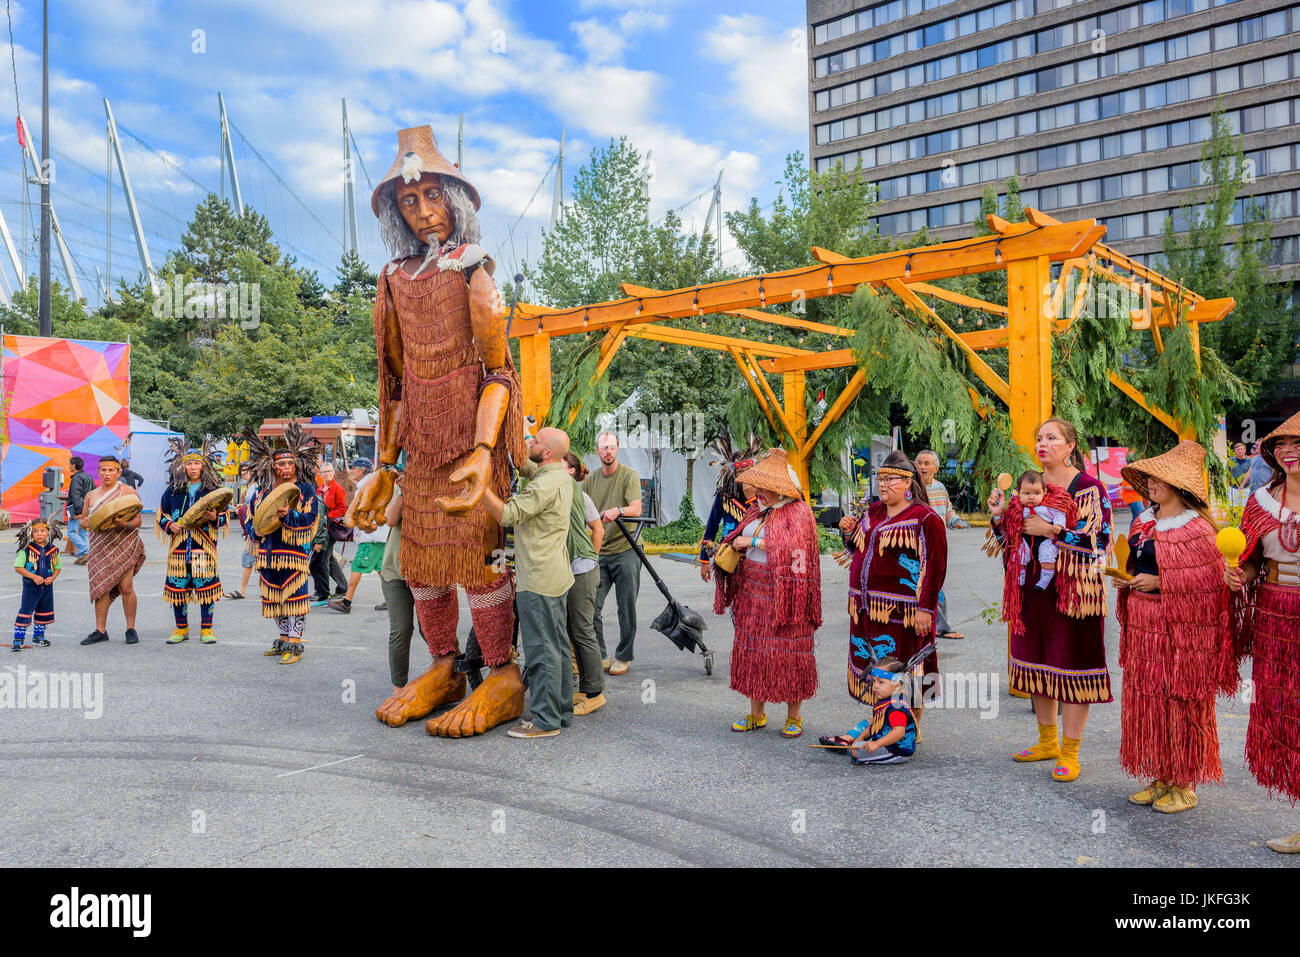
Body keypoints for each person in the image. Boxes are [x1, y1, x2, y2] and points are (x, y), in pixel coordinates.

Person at [355, 124, 528, 738]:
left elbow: (499, 373)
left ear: (454, 200)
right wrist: (385, 466)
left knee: (482, 562)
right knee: (424, 565)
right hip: (422, 452)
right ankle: (444, 668)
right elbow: (395, 385)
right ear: (396, 212)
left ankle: (503, 673)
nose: (424, 210)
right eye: (410, 200)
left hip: (471, 445)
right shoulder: (393, 279)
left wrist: (484, 450)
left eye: (433, 195)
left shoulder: (474, 269)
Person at [987, 417, 1112, 782]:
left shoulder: (1089, 488)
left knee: (1073, 667)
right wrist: (998, 517)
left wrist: (1053, 531)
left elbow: (1100, 542)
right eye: (1039, 438)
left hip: (1075, 593)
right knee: (1038, 663)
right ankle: (1047, 740)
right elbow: (1009, 541)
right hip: (1031, 591)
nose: (1042, 444)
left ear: (1071, 445)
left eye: (1052, 438)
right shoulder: (1027, 486)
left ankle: (1070, 751)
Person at [1114, 441, 1231, 814]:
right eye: (1149, 478)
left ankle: (1185, 782)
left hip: (1180, 635)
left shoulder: (1198, 530)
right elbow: (1137, 563)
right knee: (1150, 700)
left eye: (1159, 479)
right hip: (1143, 627)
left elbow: (1209, 584)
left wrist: (1160, 583)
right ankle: (1162, 776)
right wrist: (1125, 578)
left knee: (1179, 702)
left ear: (1179, 485)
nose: (1151, 483)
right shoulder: (1143, 522)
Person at [1223, 411, 1300, 853]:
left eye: (1298, 443)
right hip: (1275, 615)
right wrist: (1240, 576)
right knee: (1288, 713)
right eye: (1281, 445)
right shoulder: (1261, 501)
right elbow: (1251, 560)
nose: (1289, 451)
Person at [714, 448, 822, 738]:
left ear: (780, 488)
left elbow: (794, 547)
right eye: (757, 486)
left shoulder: (799, 512)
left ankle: (794, 717)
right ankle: (756, 714)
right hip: (753, 591)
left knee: (790, 654)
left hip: (787, 596)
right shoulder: (758, 510)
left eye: (763, 487)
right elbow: (739, 535)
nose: (757, 491)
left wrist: (751, 542)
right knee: (755, 652)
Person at [838, 451, 946, 725]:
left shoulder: (925, 518)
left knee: (906, 667)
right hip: (867, 608)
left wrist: (926, 609)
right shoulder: (874, 511)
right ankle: (881, 720)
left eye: (890, 479)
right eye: (881, 479)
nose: (883, 484)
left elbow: (935, 568)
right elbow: (858, 548)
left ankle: (908, 725)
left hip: (904, 613)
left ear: (908, 483)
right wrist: (848, 533)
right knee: (877, 667)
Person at [481, 427, 575, 739]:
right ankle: (560, 711)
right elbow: (530, 466)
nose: (529, 443)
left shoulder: (544, 485)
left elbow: (508, 515)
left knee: (541, 651)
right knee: (557, 647)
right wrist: (515, 437)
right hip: (556, 575)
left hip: (537, 580)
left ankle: (546, 721)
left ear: (546, 453)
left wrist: (480, 487)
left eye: (534, 441)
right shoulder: (559, 474)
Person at [242, 426, 321, 664]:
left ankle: (295, 644)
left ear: (296, 465)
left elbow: (310, 519)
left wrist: (289, 516)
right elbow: (251, 519)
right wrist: (254, 530)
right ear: (271, 466)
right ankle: (283, 639)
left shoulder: (305, 489)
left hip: (292, 553)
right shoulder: (262, 491)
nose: (286, 467)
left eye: (290, 463)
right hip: (267, 553)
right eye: (281, 464)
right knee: (274, 599)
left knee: (294, 598)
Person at [582, 430, 643, 676]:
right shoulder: (590, 480)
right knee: (591, 606)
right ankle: (601, 655)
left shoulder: (629, 475)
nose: (608, 451)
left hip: (626, 547)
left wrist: (618, 510)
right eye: (604, 447)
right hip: (599, 550)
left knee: (626, 607)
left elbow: (636, 508)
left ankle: (624, 655)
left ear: (617, 449)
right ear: (597, 450)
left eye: (612, 447)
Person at [158, 440, 227, 644]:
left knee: (206, 589)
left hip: (203, 548)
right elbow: (162, 515)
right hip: (179, 550)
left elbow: (224, 516)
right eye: (189, 464)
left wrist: (214, 518)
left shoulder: (212, 490)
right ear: (183, 466)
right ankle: (181, 628)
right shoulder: (173, 491)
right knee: (178, 590)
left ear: (203, 465)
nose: (193, 467)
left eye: (197, 463)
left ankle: (206, 628)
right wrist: (169, 525)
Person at [818, 652, 929, 766]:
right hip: (886, 742)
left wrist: (877, 744)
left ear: (898, 684)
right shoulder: (886, 699)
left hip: (897, 751)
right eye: (874, 681)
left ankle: (864, 757)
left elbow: (899, 732)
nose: (875, 686)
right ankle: (857, 744)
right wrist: (860, 737)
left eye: (881, 682)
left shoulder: (896, 708)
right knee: (859, 742)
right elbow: (875, 723)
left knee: (855, 751)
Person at [80, 456, 146, 645]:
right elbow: (83, 520)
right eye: (103, 470)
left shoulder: (127, 491)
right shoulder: (91, 495)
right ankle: (100, 630)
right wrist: (84, 523)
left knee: (126, 587)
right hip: (99, 547)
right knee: (101, 589)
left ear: (118, 472)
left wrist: (124, 524)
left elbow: (137, 520)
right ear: (98, 472)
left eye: (111, 470)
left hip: (123, 544)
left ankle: (131, 629)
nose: (107, 474)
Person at [563, 452, 606, 716]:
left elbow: (598, 529)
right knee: (573, 630)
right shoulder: (560, 491)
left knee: (583, 630)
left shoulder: (579, 495)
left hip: (582, 569)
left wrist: (592, 558)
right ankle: (587, 687)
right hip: (571, 570)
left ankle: (596, 693)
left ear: (570, 471)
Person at [378, 469, 425, 696]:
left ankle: (449, 674)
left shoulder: (437, 488)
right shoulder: (399, 488)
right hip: (395, 571)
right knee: (401, 629)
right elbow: (391, 519)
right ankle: (398, 688)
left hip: (426, 573)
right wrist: (404, 492)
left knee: (432, 630)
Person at [915, 449, 966, 639]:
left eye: (926, 463)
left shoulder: (940, 487)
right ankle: (940, 627)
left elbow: (948, 510)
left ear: (936, 468)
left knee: (935, 584)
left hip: (937, 546)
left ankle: (935, 625)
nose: (922, 467)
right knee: (932, 584)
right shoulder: (912, 489)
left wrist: (955, 521)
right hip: (918, 545)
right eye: (919, 463)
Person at [329, 462, 387, 613]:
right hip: (377, 535)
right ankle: (391, 599)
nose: (351, 471)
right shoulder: (371, 483)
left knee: (357, 567)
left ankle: (346, 602)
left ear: (362, 469)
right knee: (381, 569)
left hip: (370, 536)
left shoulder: (367, 485)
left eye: (354, 468)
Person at [699, 438, 757, 582]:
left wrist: (752, 499)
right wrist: (704, 560)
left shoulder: (763, 495)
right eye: (741, 472)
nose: (745, 476)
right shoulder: (724, 496)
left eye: (749, 471)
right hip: (729, 555)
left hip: (756, 556)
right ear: (734, 474)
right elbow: (711, 527)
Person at [1012, 470, 1070, 590]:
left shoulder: (1047, 507)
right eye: (1026, 493)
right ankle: (1020, 574)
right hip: (1026, 538)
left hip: (1046, 539)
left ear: (1044, 492)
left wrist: (1058, 524)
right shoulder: (1018, 508)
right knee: (1019, 553)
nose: (1031, 497)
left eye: (1037, 493)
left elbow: (1059, 513)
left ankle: (1046, 577)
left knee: (1047, 555)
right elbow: (1009, 521)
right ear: (1019, 494)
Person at [13, 518, 62, 651]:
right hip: (31, 586)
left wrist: (52, 578)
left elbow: (57, 567)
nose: (39, 534)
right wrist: (33, 577)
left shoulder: (53, 550)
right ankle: (18, 638)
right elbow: (18, 567)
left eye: (42, 531)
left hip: (47, 586)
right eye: (35, 531)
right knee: (26, 610)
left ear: (49, 532)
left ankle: (38, 636)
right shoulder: (25, 549)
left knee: (43, 611)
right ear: (30, 533)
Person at [317, 461, 350, 598]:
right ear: (320, 474)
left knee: (323, 560)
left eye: (330, 471)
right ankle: (342, 587)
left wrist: (327, 516)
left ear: (334, 472)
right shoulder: (319, 488)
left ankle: (322, 591)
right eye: (325, 471)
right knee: (329, 559)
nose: (328, 474)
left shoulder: (337, 489)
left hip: (330, 528)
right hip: (321, 528)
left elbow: (342, 509)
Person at [225, 467, 258, 601]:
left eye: (247, 470)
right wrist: (242, 507)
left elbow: (257, 506)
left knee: (251, 558)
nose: (245, 473)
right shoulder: (250, 487)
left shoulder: (257, 486)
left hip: (256, 529)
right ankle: (243, 589)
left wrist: (245, 508)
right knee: (251, 558)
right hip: (251, 529)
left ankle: (243, 589)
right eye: (243, 471)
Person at [65, 456, 93, 565]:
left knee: (71, 532)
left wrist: (78, 512)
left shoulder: (76, 478)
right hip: (88, 509)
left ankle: (86, 550)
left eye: (69, 464)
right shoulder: (88, 477)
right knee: (83, 533)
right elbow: (92, 493)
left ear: (73, 465)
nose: (69, 466)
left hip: (79, 510)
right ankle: (83, 557)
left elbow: (76, 496)